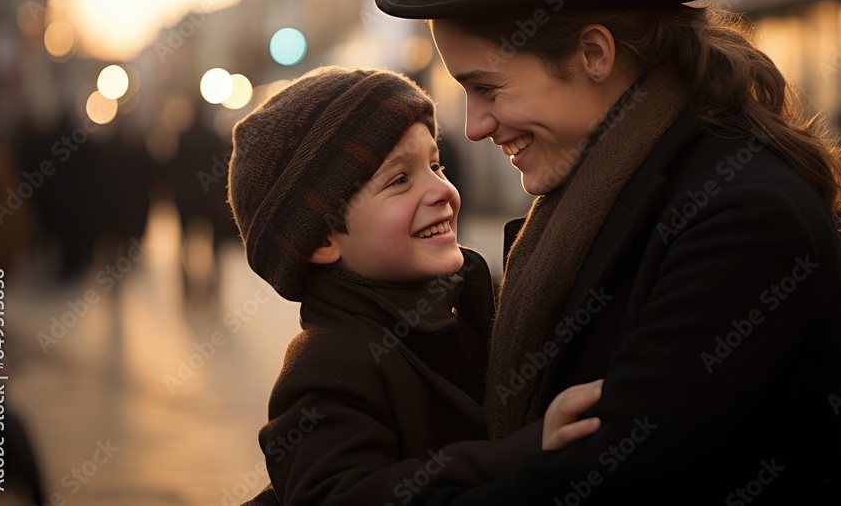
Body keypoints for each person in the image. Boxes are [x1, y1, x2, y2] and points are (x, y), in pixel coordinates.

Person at [373, 0, 841, 504]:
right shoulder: (593, 198)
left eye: (488, 89)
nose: (473, 128)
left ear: (594, 53)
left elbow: (604, 479)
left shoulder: (742, 218)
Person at [227, 67, 602, 505]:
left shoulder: (469, 305)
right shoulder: (329, 364)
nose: (441, 190)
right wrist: (516, 456)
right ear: (323, 238)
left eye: (435, 164)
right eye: (400, 179)